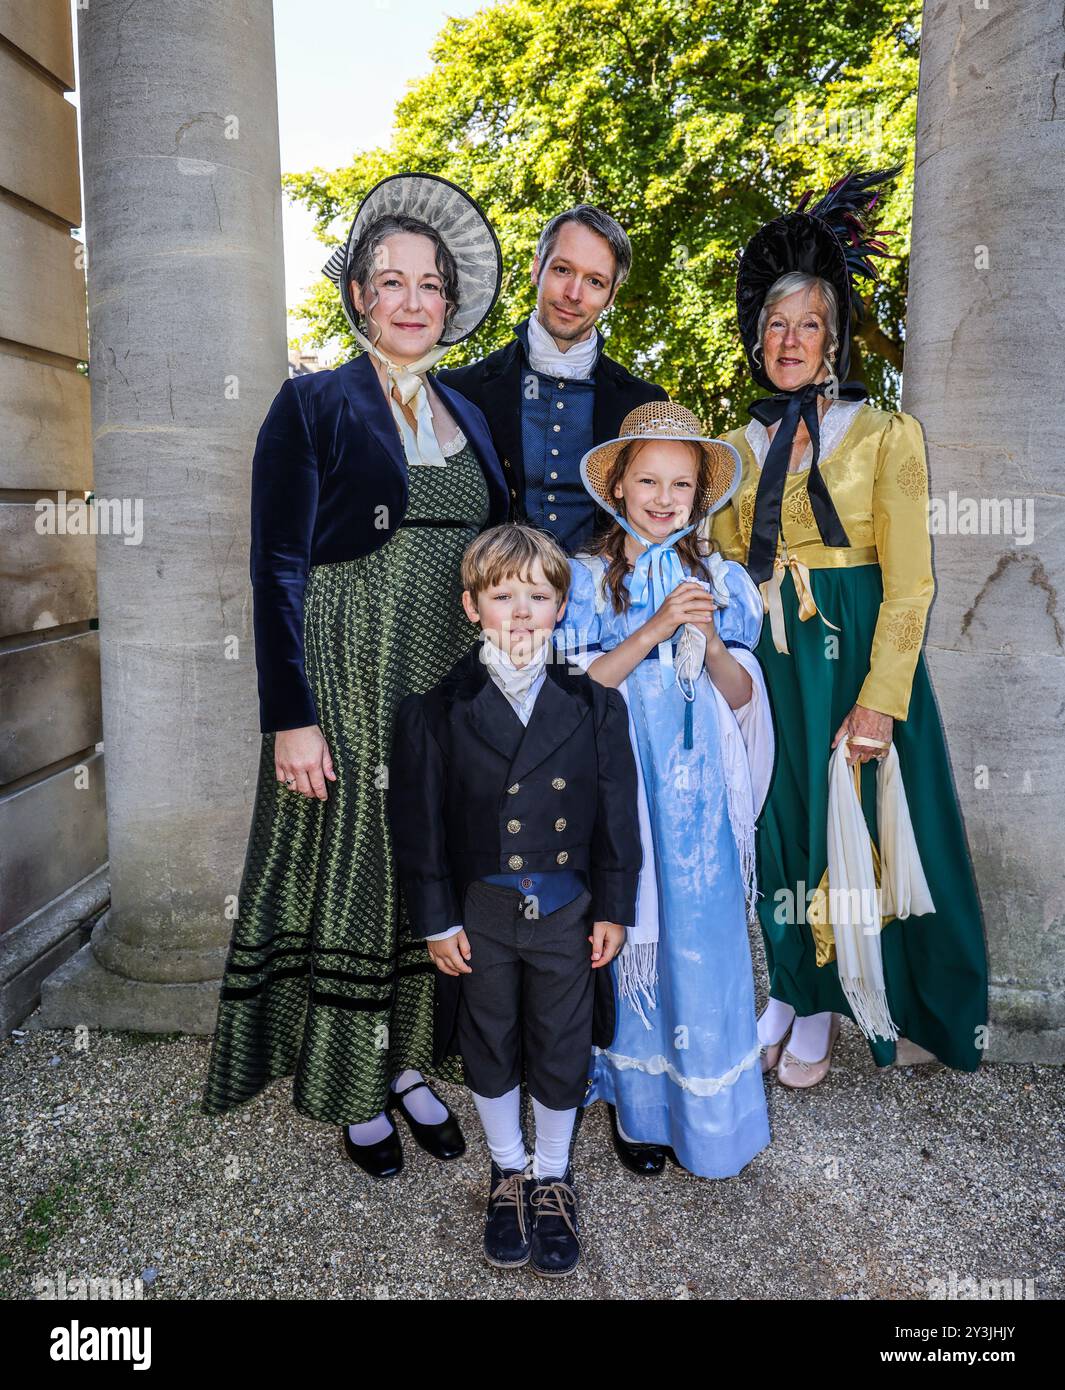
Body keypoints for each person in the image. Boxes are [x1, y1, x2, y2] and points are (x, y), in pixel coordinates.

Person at [201, 173, 511, 1178]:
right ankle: (351, 1081)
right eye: (392, 281)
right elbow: (277, 567)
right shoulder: (311, 404)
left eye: (431, 283)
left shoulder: (470, 412)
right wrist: (291, 716)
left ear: (450, 302)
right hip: (345, 669)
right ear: (362, 296)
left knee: (426, 862)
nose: (413, 299)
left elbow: (500, 554)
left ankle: (411, 1059)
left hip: (442, 676)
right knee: (355, 868)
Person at [710, 165, 989, 1085]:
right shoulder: (734, 448)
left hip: (852, 655)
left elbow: (911, 583)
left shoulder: (885, 434)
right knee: (778, 821)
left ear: (832, 341)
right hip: (768, 662)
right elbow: (712, 560)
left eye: (808, 326)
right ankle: (788, 987)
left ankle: (837, 1005)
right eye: (774, 326)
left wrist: (878, 702)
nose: (789, 340)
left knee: (854, 823)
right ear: (758, 342)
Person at [387, 524, 640, 1278]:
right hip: (481, 913)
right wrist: (434, 920)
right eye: (503, 595)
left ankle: (553, 1175)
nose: (521, 610)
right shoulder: (434, 712)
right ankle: (507, 1171)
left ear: (562, 606)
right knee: (488, 1039)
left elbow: (619, 817)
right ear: (472, 607)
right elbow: (420, 828)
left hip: (567, 907)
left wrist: (613, 908)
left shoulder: (594, 704)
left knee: (562, 1043)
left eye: (538, 595)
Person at [558, 402, 775, 1179]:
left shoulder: (719, 578)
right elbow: (576, 694)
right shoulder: (581, 580)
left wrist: (711, 639)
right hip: (622, 786)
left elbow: (743, 696)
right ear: (615, 486)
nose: (662, 497)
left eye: (680, 483)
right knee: (627, 932)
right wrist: (652, 628)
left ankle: (710, 1113)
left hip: (698, 799)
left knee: (702, 934)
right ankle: (637, 1104)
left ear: (700, 494)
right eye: (646, 479)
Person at [437, 204, 668, 556]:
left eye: (595, 281)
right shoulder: (458, 391)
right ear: (536, 268)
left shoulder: (644, 404)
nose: (574, 294)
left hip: (611, 604)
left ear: (612, 295)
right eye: (563, 269)